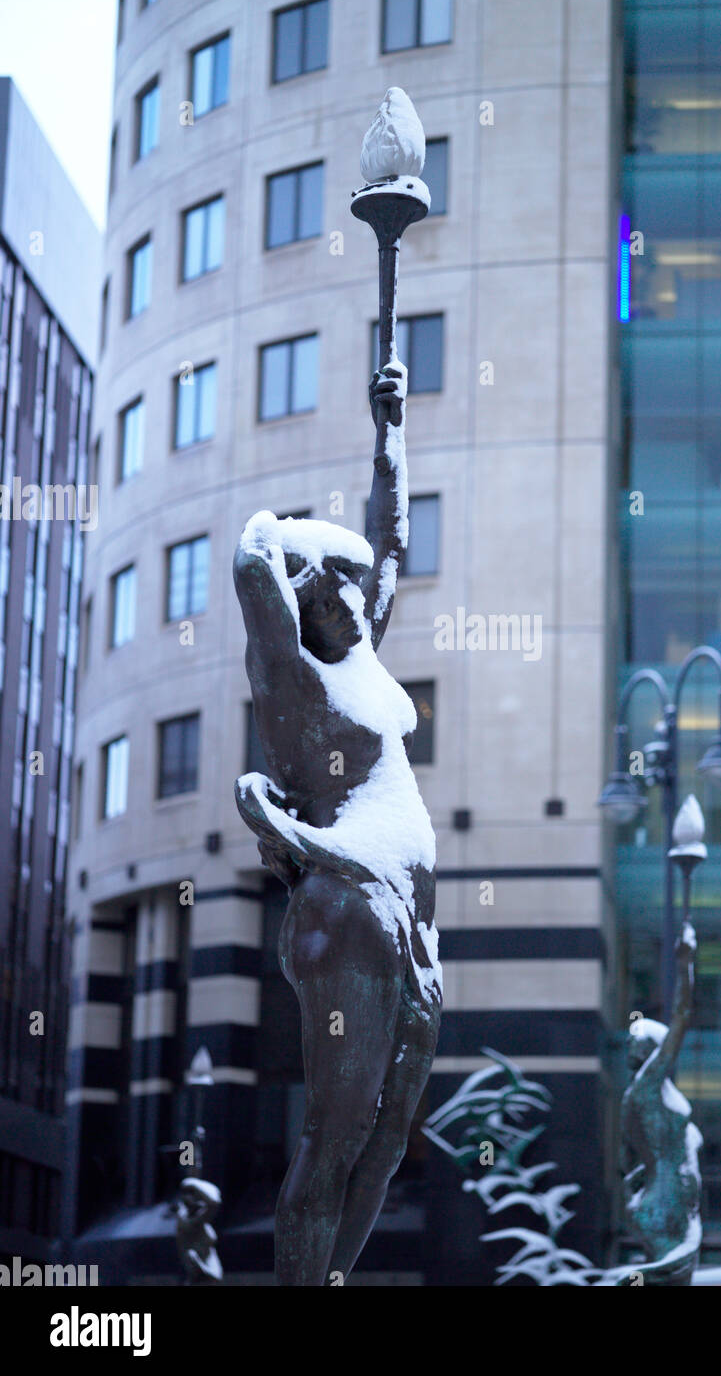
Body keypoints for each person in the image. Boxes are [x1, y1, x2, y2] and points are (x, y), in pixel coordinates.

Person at [233, 364, 441, 1285]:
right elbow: (250, 566)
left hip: (413, 915)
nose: (354, 603)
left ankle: (331, 1281)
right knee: (335, 1133)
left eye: (355, 593)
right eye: (331, 594)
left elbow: (391, 539)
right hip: (347, 904)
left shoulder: (366, 661)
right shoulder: (296, 681)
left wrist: (387, 427)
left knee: (389, 1138)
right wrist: (279, 534)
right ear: (306, 604)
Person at [620, 924, 702, 1285]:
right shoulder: (648, 1086)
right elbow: (682, 1018)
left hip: (655, 1195)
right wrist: (685, 964)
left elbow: (632, 1161)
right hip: (665, 1197)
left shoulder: (638, 1095)